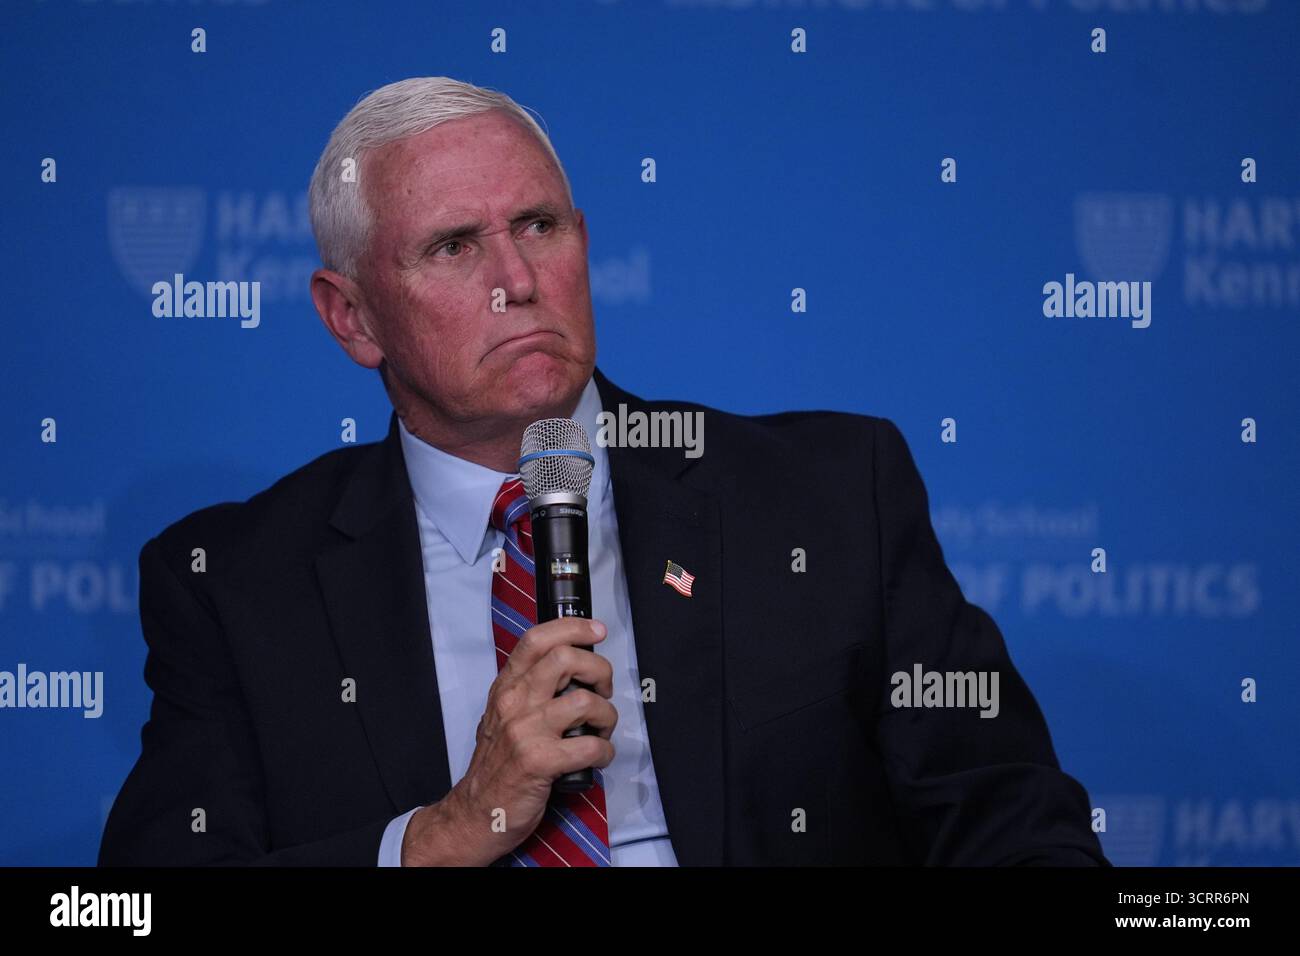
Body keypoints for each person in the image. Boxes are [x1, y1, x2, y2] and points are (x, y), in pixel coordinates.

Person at [99, 76, 1109, 867]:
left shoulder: (828, 497)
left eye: (538, 225)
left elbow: (1013, 821)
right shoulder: (233, 582)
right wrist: (446, 832)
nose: (517, 281)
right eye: (453, 246)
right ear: (351, 315)